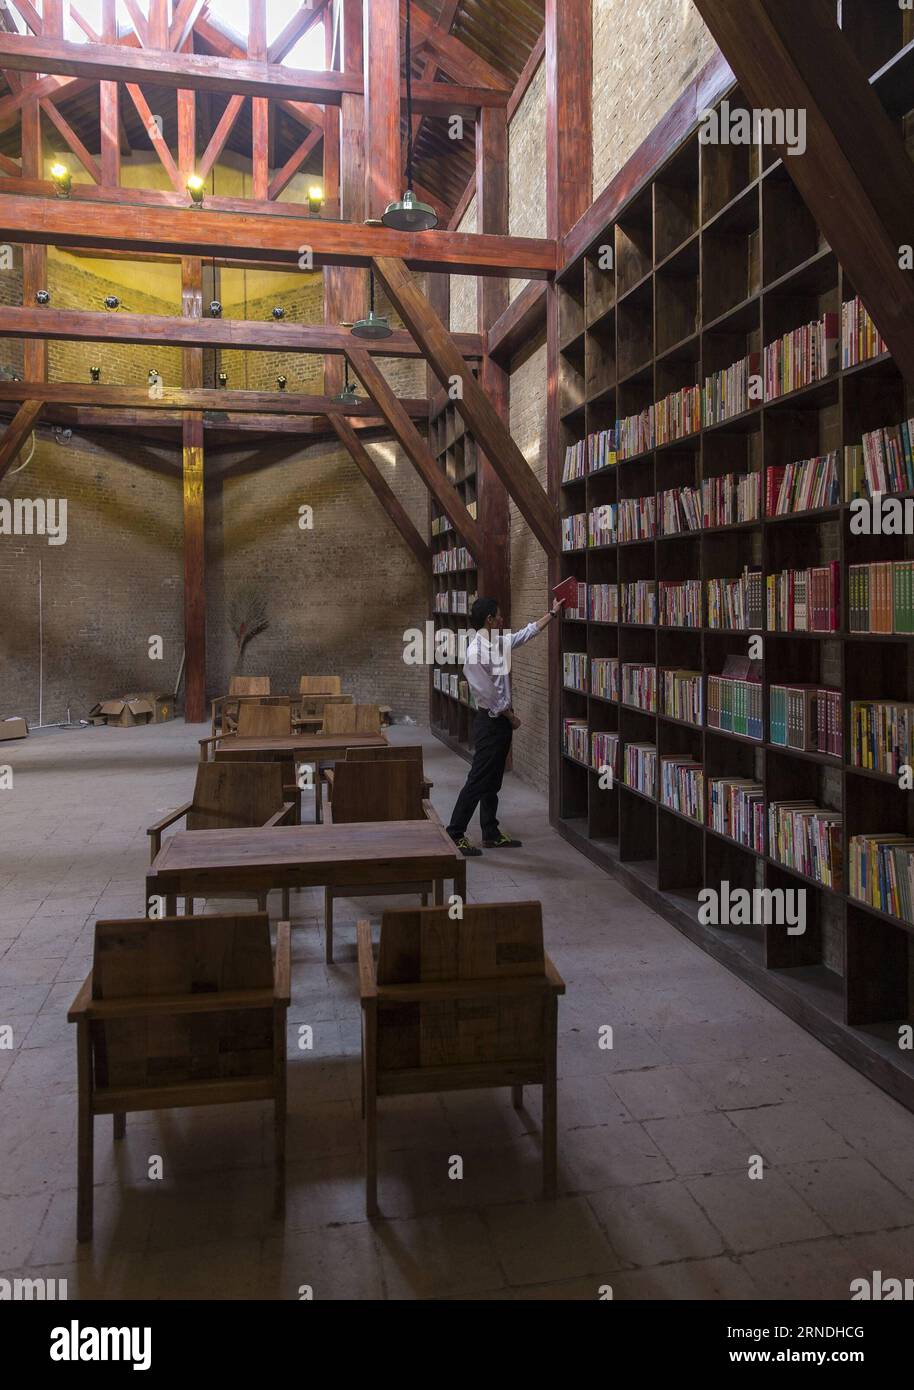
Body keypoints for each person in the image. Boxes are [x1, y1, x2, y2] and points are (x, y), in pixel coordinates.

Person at [447, 595, 561, 856]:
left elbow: (525, 635)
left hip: (500, 723)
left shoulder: (495, 643)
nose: (502, 618)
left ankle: (490, 832)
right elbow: (488, 696)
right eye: (498, 615)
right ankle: (455, 832)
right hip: (491, 722)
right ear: (489, 619)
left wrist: (552, 614)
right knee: (478, 779)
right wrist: (511, 718)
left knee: (493, 780)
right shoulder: (476, 653)